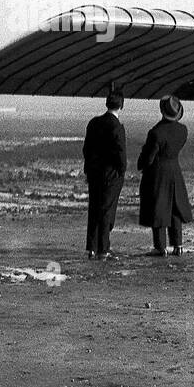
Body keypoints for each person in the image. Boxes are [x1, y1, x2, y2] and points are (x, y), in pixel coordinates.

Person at [138, 95, 193, 256]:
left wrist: (141, 163)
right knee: (175, 209)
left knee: (159, 209)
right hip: (175, 171)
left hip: (157, 173)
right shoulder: (183, 130)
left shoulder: (156, 132)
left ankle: (160, 247)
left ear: (162, 110)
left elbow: (148, 158)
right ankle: (178, 245)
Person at [82, 89, 126, 259]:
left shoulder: (93, 123)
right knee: (107, 211)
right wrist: (121, 171)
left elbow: (86, 148)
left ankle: (91, 248)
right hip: (111, 175)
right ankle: (104, 248)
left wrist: (90, 168)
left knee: (94, 208)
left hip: (94, 173)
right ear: (121, 106)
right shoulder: (117, 127)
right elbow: (121, 153)